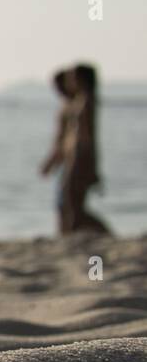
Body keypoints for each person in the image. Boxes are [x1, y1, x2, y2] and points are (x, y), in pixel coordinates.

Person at [40, 63, 110, 235]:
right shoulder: (77, 102)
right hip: (75, 157)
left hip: (81, 157)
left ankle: (106, 234)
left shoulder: (86, 101)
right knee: (67, 203)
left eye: (73, 78)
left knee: (73, 205)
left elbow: (86, 136)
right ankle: (67, 234)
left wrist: (90, 165)